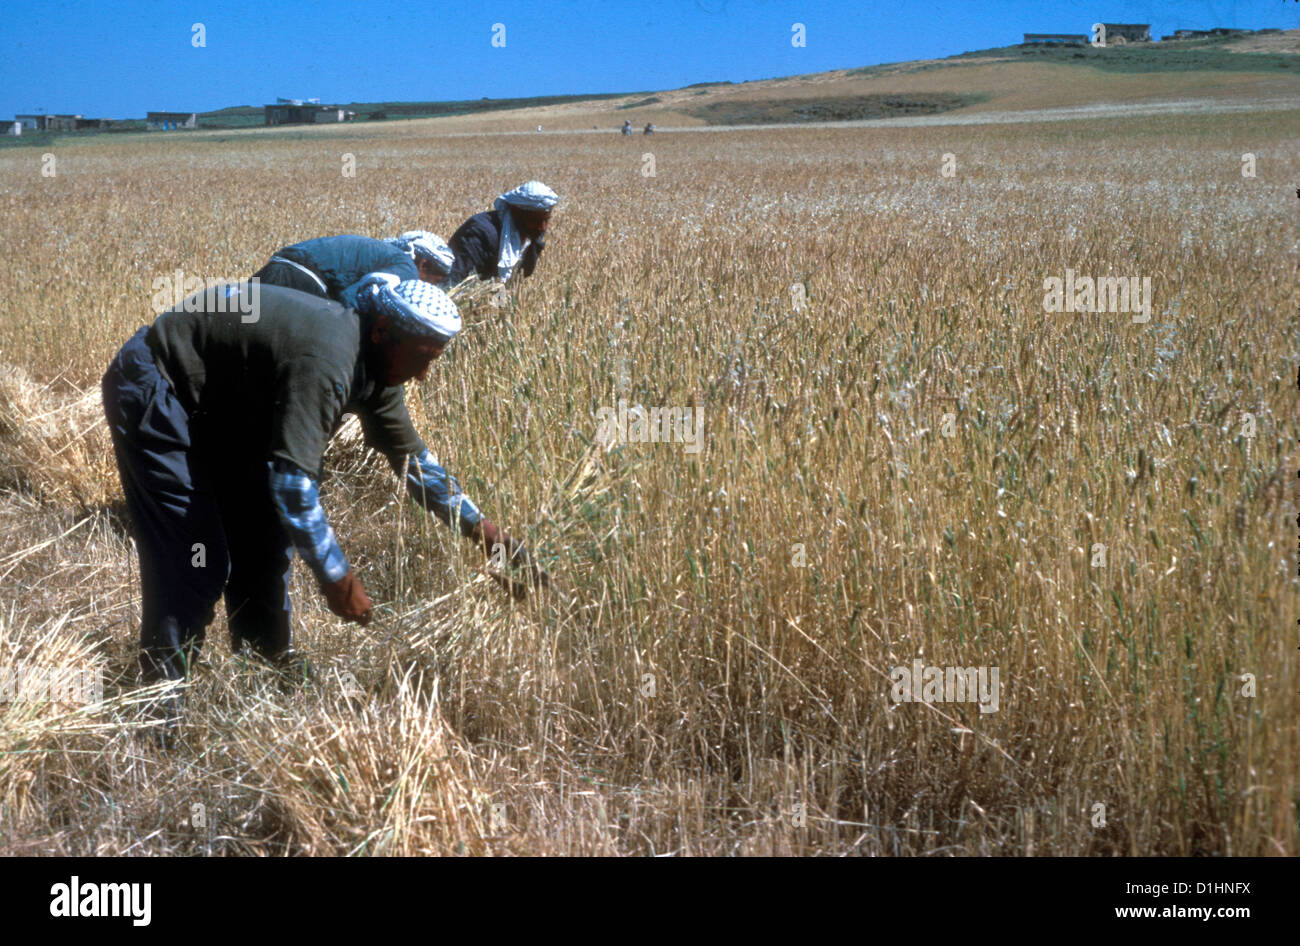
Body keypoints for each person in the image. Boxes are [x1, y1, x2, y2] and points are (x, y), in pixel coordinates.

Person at [101, 274, 543, 710]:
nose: (424, 375)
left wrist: (487, 534)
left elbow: (418, 468)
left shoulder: (379, 368)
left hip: (224, 405)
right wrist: (337, 578)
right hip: (158, 384)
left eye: (435, 360)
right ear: (382, 332)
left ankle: (266, 674)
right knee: (195, 554)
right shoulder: (328, 361)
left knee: (264, 543)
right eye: (421, 359)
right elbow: (293, 485)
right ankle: (159, 702)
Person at [250, 232, 450, 301]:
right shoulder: (407, 268)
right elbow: (352, 299)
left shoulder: (382, 252)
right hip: (300, 282)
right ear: (423, 264)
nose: (429, 288)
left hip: (275, 268)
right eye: (434, 282)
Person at [445, 181, 558, 287]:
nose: (542, 228)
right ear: (516, 212)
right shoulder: (482, 233)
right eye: (535, 221)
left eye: (546, 220)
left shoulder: (532, 233)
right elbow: (454, 282)